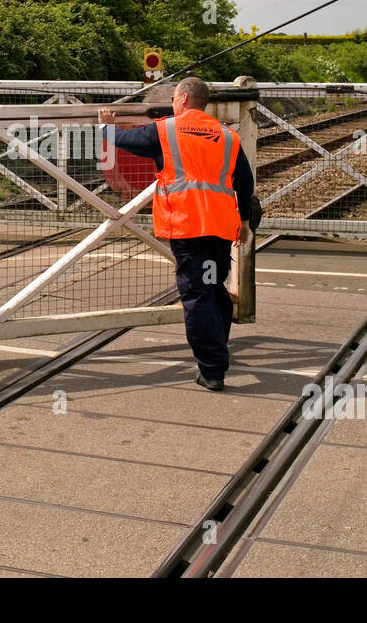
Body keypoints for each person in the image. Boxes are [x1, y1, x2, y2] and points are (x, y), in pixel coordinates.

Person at [98, 77, 254, 391]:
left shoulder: (167, 129)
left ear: (182, 99)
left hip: (188, 226)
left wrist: (104, 127)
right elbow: (245, 183)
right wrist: (246, 222)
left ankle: (212, 369)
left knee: (197, 295)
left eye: (173, 98)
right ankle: (218, 349)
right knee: (213, 287)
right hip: (221, 228)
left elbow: (130, 142)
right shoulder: (227, 136)